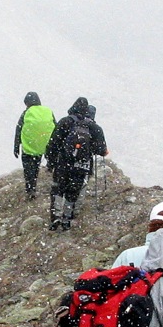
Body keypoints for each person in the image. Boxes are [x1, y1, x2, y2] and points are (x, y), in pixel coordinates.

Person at [45, 96, 107, 231]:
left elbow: (53, 144)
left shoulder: (65, 122)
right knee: (72, 192)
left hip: (64, 164)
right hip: (82, 166)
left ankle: (56, 217)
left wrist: (50, 162)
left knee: (58, 189)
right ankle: (66, 219)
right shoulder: (94, 127)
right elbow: (102, 150)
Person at [13, 92, 56, 200]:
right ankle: (45, 175)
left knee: (28, 168)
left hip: (29, 145)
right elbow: (56, 127)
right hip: (44, 144)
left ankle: (30, 188)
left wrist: (16, 146)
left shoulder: (26, 113)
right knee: (36, 165)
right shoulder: (48, 111)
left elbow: (19, 129)